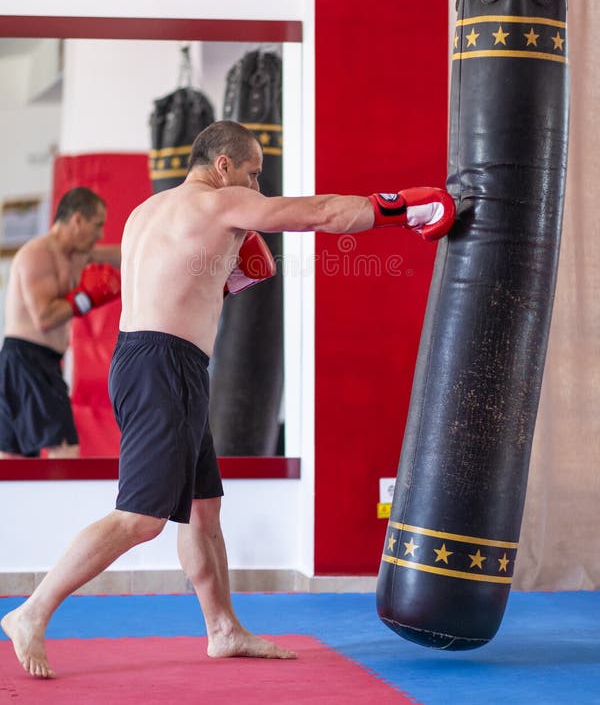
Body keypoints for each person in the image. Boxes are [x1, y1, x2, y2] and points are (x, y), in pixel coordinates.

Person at [1, 120, 455, 678]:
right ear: (223, 166)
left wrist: (231, 277)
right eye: (252, 173)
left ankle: (223, 628)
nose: (256, 188)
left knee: (203, 511)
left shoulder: (148, 211)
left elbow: (185, 285)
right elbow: (321, 214)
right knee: (140, 519)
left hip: (158, 363)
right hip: (164, 367)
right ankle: (32, 611)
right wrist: (401, 208)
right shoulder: (220, 205)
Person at [0, 187, 121, 459]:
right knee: (65, 449)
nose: (100, 234)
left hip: (36, 361)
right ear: (77, 220)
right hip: (27, 358)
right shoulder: (37, 254)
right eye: (97, 225)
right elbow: (44, 318)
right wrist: (86, 298)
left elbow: (129, 254)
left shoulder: (77, 254)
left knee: (13, 456)